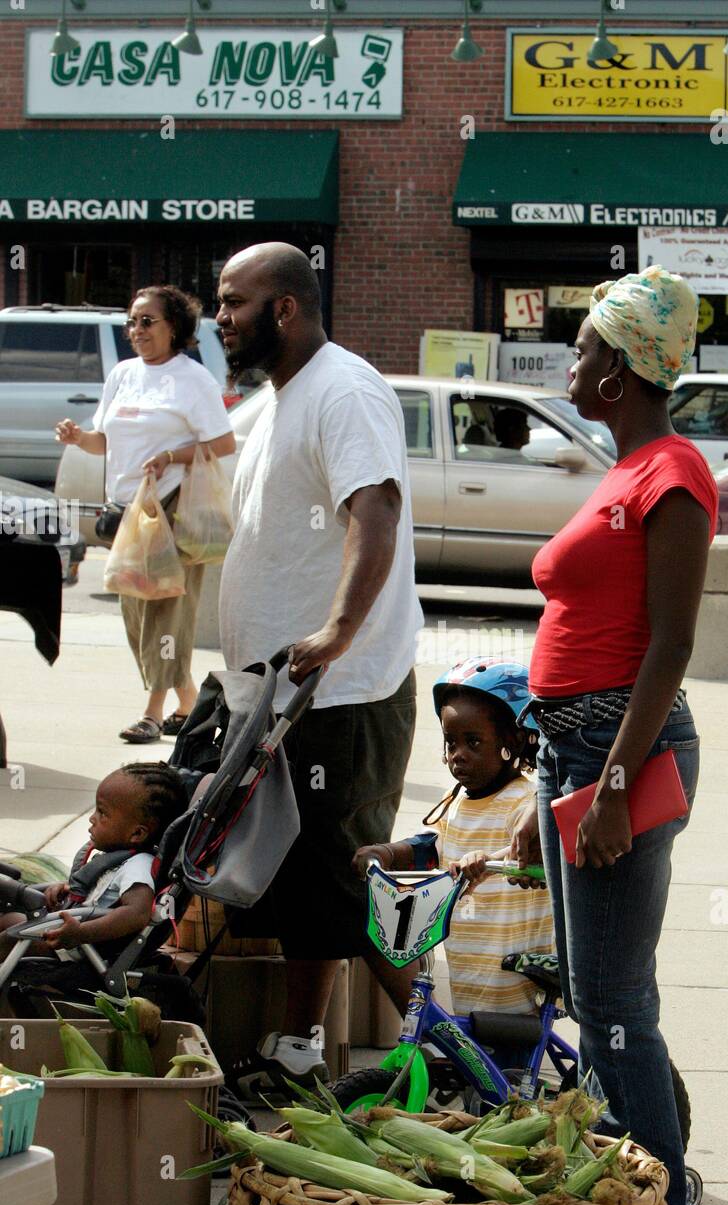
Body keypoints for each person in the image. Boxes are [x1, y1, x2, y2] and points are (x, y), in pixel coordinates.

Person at [510, 266, 719, 1205]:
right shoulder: (622, 466)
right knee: (596, 998)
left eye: (588, 348)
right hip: (575, 754)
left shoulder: (673, 475)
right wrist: (549, 785)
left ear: (624, 369)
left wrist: (617, 786)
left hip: (618, 755)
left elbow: (671, 643)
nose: (574, 361)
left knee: (613, 1002)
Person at [216, 242, 422, 1086]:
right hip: (284, 694)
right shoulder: (273, 401)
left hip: (341, 692)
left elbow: (372, 506)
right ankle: (301, 1044)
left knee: (346, 880)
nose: (219, 316)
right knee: (301, 885)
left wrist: (337, 630)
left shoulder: (344, 389)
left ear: (286, 308)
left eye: (233, 301)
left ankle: (443, 1037)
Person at [55, 286, 236, 744]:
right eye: (132, 322)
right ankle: (191, 702)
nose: (136, 331)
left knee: (164, 613)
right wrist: (80, 438)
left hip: (170, 511)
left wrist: (172, 456)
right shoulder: (122, 375)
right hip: (126, 513)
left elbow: (223, 444)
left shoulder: (193, 380)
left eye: (147, 321)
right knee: (135, 611)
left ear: (174, 327)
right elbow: (105, 440)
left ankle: (153, 714)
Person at [352, 659, 554, 1018]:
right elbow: (437, 845)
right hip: (471, 962)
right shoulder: (459, 800)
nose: (457, 754)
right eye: (451, 741)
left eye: (473, 742)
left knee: (511, 1063)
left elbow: (527, 851)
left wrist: (488, 859)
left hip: (513, 969)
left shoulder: (524, 803)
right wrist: (387, 852)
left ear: (514, 740)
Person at [0, 763, 188, 964]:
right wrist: (65, 889)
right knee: (7, 920)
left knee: (7, 941)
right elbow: (102, 895)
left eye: (102, 813)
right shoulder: (118, 860)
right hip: (70, 932)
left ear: (137, 833)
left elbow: (137, 913)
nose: (92, 818)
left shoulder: (138, 867)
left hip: (79, 947)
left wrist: (81, 933)